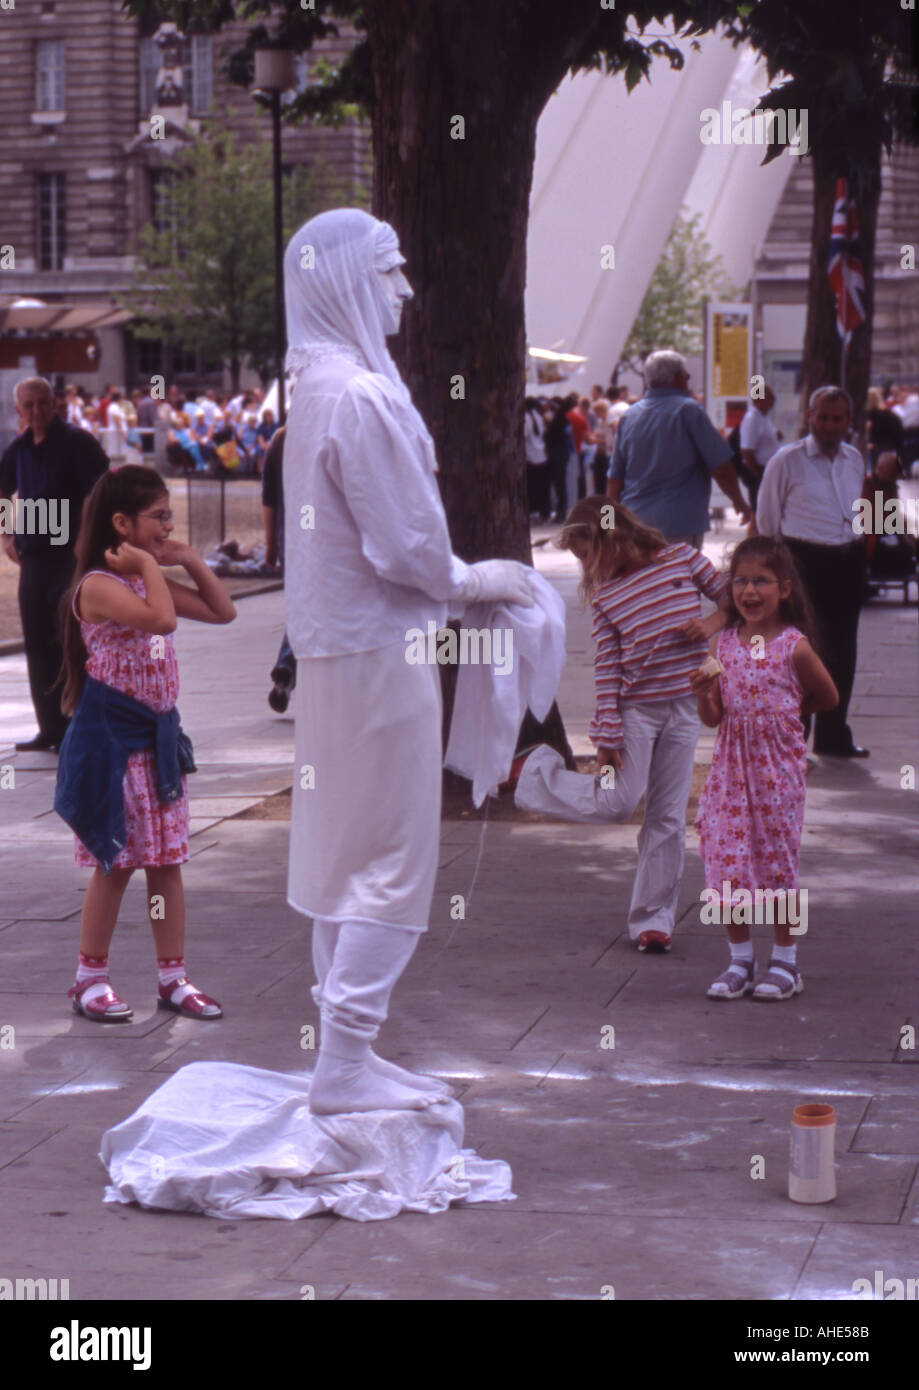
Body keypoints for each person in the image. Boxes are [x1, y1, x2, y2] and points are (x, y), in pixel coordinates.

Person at [282, 207, 534, 1115]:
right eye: (387, 271)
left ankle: (344, 1051)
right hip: (381, 652)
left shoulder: (314, 389)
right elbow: (409, 552)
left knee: (341, 858)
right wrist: (484, 577)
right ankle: (344, 1056)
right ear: (344, 279)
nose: (406, 290)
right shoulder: (357, 395)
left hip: (333, 653)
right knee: (389, 858)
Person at [54, 465, 236, 1022]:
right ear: (121, 523)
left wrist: (190, 559)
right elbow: (162, 620)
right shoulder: (100, 585)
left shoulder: (142, 577)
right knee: (116, 862)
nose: (168, 526)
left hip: (155, 745)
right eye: (159, 517)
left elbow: (222, 612)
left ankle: (172, 977)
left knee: (167, 862)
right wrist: (151, 566)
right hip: (115, 746)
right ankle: (90, 978)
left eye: (168, 516)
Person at [513, 498, 729, 952]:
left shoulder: (682, 558)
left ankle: (654, 921)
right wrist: (607, 735)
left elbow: (733, 596)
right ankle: (536, 772)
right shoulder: (607, 598)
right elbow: (607, 669)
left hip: (686, 709)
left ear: (607, 535)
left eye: (585, 554)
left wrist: (711, 621)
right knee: (617, 802)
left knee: (668, 816)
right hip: (637, 714)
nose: (585, 567)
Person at [691, 538, 838, 1000]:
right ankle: (739, 960)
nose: (749, 590)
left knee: (777, 865)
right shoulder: (723, 644)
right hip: (730, 772)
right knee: (727, 862)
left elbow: (827, 697)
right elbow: (714, 716)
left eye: (761, 581)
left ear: (785, 588)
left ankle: (786, 962)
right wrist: (702, 695)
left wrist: (786, 715)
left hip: (778, 774)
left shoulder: (795, 647)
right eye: (740, 580)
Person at [756, 385, 869, 758]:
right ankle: (794, 737)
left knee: (842, 649)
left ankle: (835, 735)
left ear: (848, 422)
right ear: (810, 416)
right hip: (802, 561)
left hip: (846, 560)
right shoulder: (786, 461)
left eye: (837, 419)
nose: (829, 425)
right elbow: (767, 520)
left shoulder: (855, 459)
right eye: (823, 417)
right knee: (800, 651)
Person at [0, 376, 109, 751]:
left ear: (54, 403)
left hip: (70, 558)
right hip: (34, 558)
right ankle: (49, 726)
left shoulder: (78, 443)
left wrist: (86, 540)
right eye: (28, 406)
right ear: (19, 410)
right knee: (38, 643)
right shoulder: (19, 449)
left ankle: (78, 726)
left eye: (42, 403)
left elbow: (102, 494)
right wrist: (5, 534)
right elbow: (2, 489)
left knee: (72, 642)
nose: (36, 411)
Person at [606, 350, 751, 544]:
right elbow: (721, 467)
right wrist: (739, 502)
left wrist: (607, 525)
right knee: (678, 575)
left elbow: (614, 480)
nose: (688, 381)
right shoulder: (688, 410)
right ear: (676, 378)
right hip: (679, 524)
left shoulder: (629, 416)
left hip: (635, 526)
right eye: (686, 376)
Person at [261, 425, 296, 711]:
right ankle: (286, 663)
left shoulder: (281, 439)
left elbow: (269, 499)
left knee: (302, 605)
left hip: (292, 539)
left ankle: (286, 666)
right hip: (328, 541)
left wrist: (270, 543)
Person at [736, 385, 780, 509]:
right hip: (758, 471)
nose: (772, 402)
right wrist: (758, 475)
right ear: (758, 400)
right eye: (769, 398)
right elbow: (746, 450)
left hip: (766, 470)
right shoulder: (752, 418)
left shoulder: (762, 418)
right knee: (757, 513)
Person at [524, 395, 549, 520]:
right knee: (543, 486)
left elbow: (523, 435)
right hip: (541, 455)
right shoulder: (539, 416)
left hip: (530, 456)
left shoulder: (526, 418)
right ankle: (544, 511)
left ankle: (534, 510)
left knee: (532, 486)